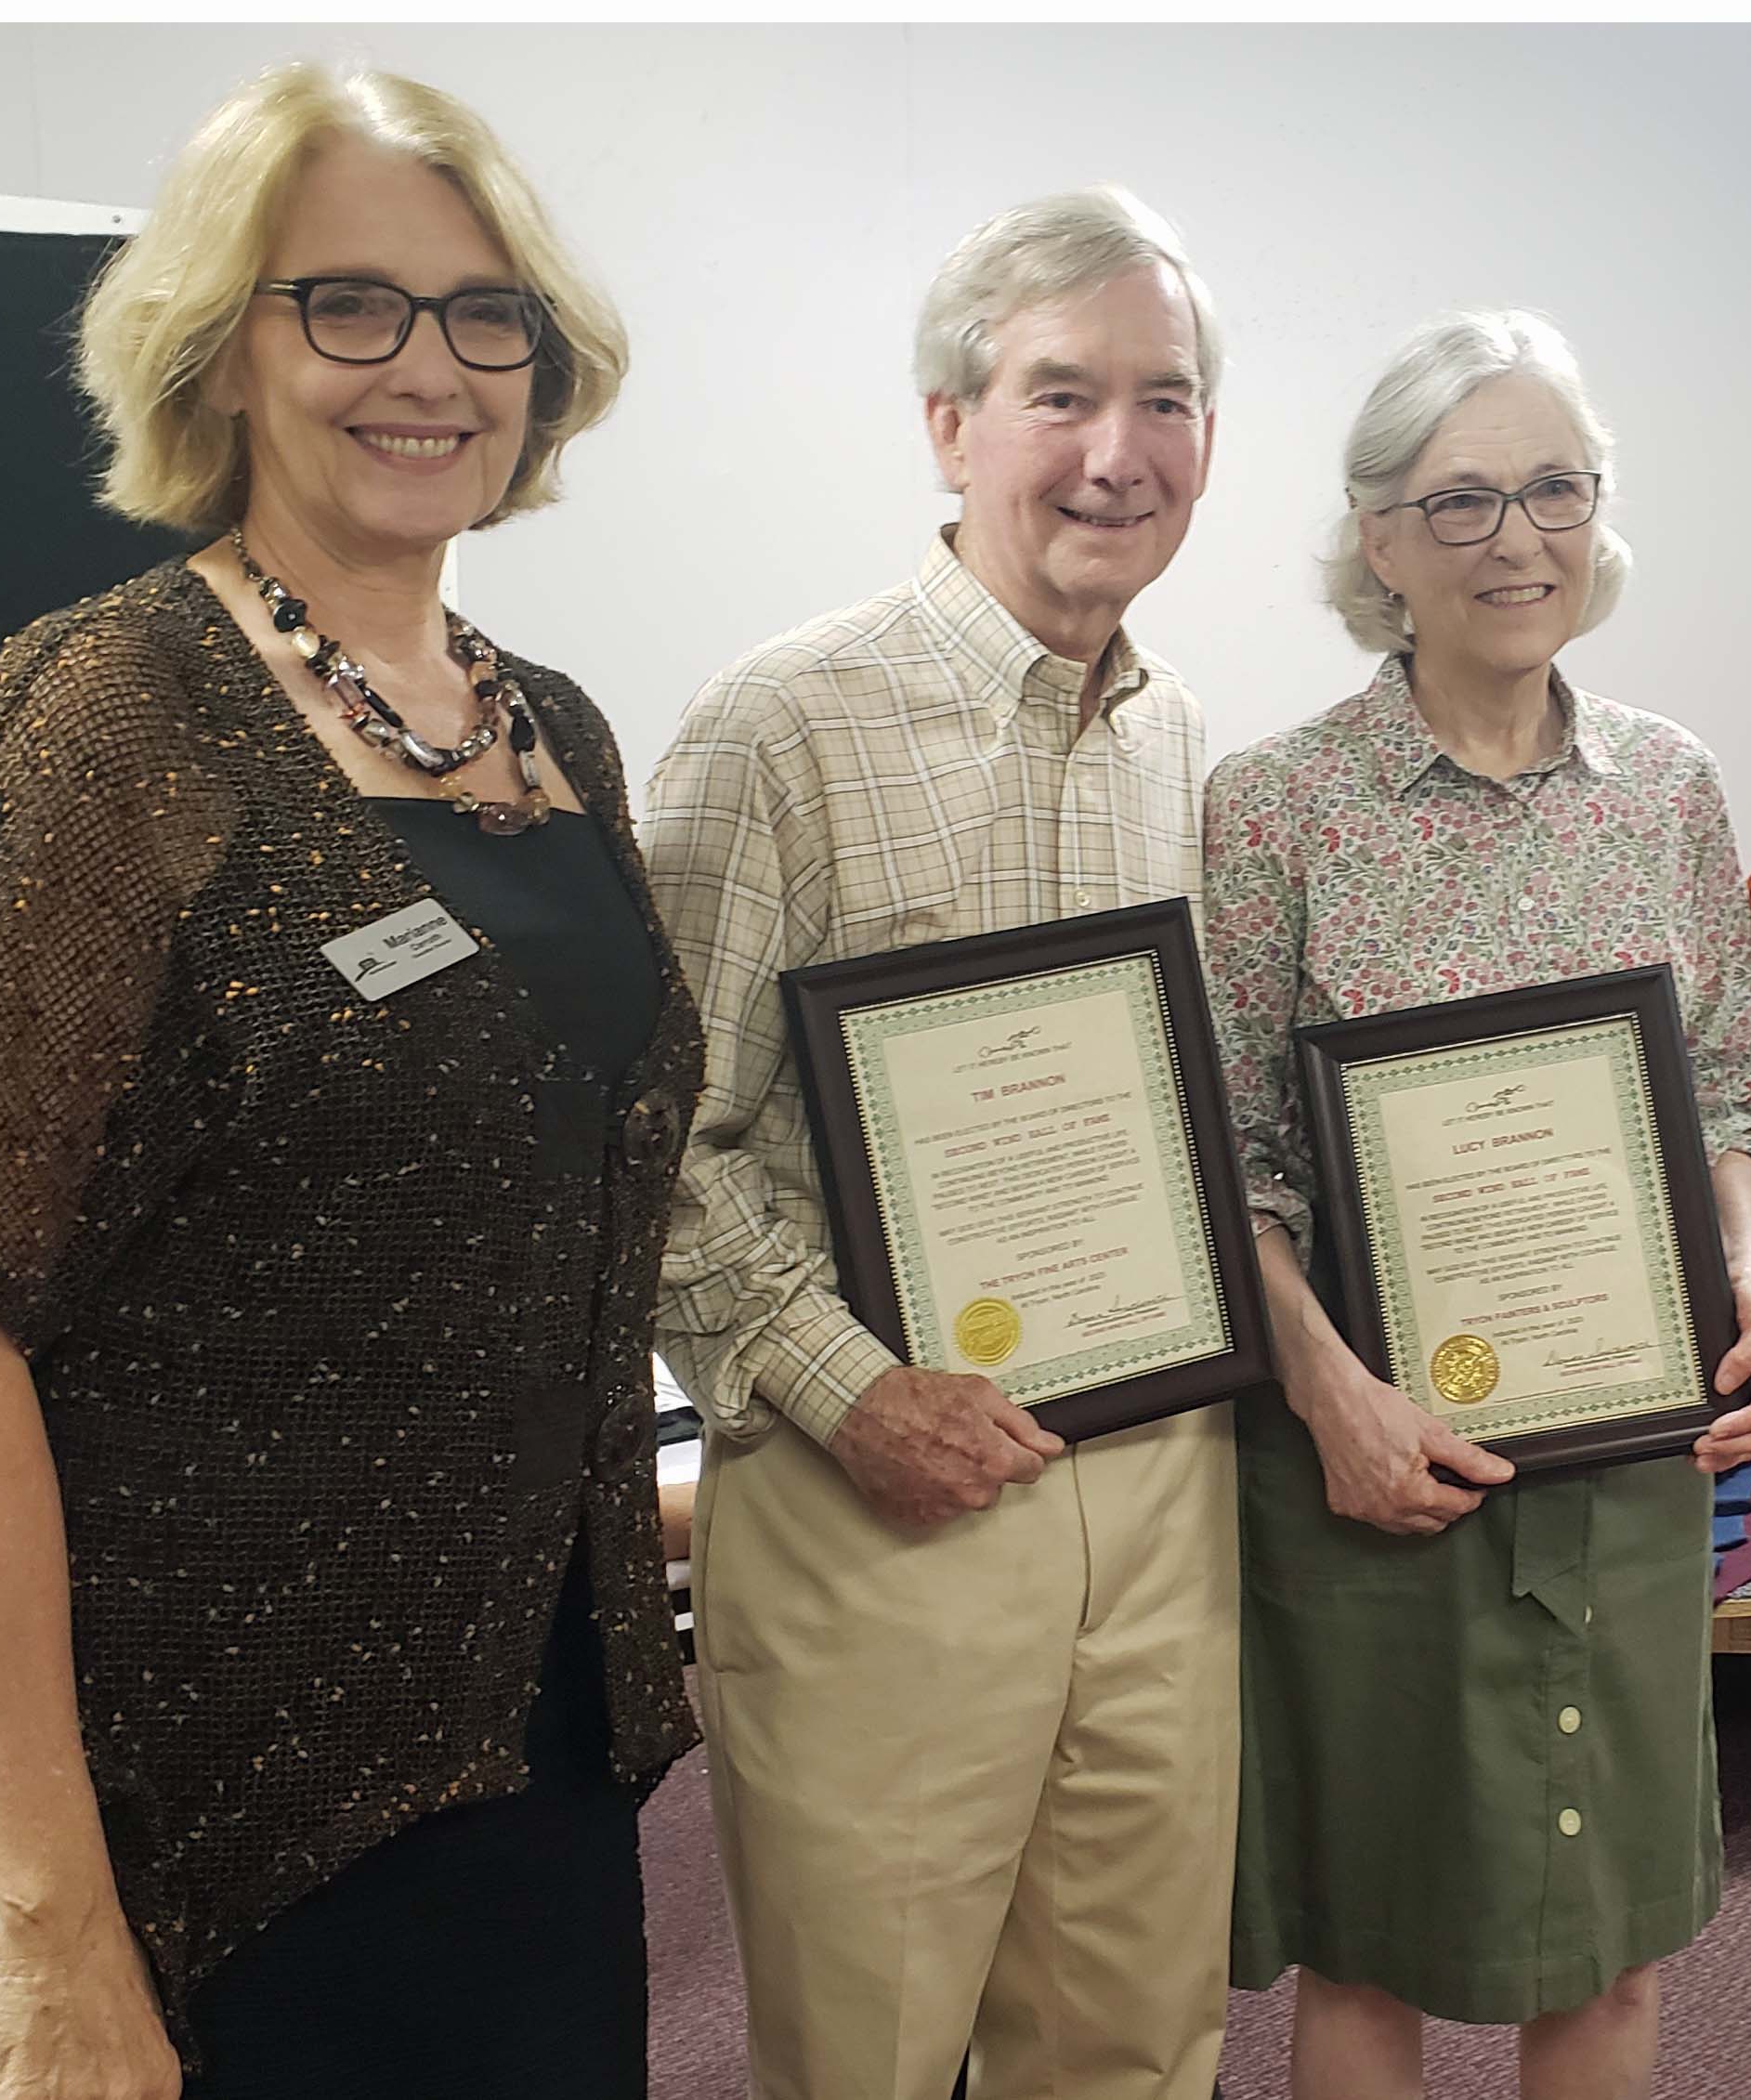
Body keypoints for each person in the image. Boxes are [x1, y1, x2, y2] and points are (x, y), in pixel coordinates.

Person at [0, 64, 700, 2100]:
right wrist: (50, 1926)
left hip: (521, 1756)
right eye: (351, 304)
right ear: (221, 343)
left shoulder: (547, 727)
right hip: (176, 1822)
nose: (433, 368)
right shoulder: (101, 722)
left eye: (488, 312)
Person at [643, 185, 1234, 2100]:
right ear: (946, 424)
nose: (1115, 453)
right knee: (871, 2051)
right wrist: (851, 1388)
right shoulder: (775, 731)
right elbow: (654, 1144)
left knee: (1132, 2044)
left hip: (1154, 1503)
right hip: (870, 1500)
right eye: (1060, 393)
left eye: (1166, 400)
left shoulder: (1184, 750)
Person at [1202, 309, 1751, 2100]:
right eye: (1457, 501)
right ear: (1376, 538)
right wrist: (1332, 1397)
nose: (1515, 539)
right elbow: (1230, 1159)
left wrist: (1748, 1279)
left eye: (1553, 489)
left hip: (1615, 1448)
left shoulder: (1668, 790)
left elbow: (1718, 1084)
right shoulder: (1275, 808)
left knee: (1605, 1948)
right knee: (1368, 1943)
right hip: (1374, 1451)